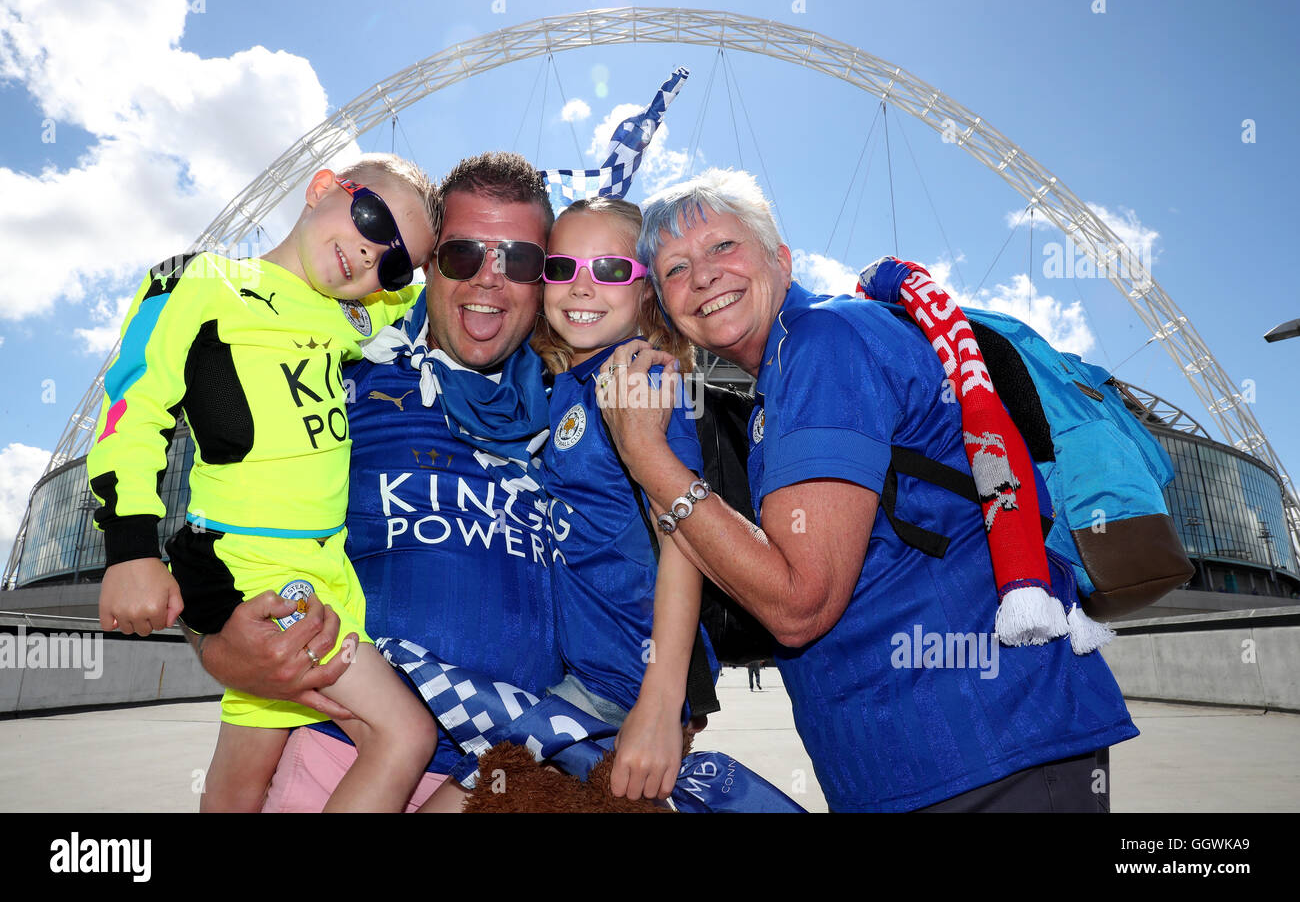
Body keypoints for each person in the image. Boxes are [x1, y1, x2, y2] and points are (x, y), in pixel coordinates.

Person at [596, 167, 1140, 813]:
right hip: (934, 766)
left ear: (782, 259)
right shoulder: (783, 376)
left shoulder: (823, 344)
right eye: (676, 269)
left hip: (987, 755)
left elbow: (801, 601)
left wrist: (647, 455)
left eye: (722, 246)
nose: (704, 274)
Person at [190, 151, 563, 812]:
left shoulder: (578, 404)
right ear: (423, 265)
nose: (489, 281)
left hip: (503, 778)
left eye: (522, 261)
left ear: (547, 279)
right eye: (463, 254)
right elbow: (222, 520)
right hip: (340, 758)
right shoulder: (345, 361)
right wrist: (218, 643)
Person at [88, 155, 443, 811]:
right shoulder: (200, 281)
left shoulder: (356, 313)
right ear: (321, 187)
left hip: (326, 574)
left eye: (394, 263)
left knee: (234, 791)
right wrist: (131, 549)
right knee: (404, 734)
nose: (371, 256)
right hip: (251, 564)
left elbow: (450, 283)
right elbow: (129, 409)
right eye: (372, 219)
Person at [531, 196, 714, 801]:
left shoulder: (646, 379)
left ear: (645, 293)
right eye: (563, 269)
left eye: (610, 270)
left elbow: (686, 539)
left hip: (624, 688)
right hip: (578, 676)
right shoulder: (565, 384)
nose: (582, 289)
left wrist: (661, 703)